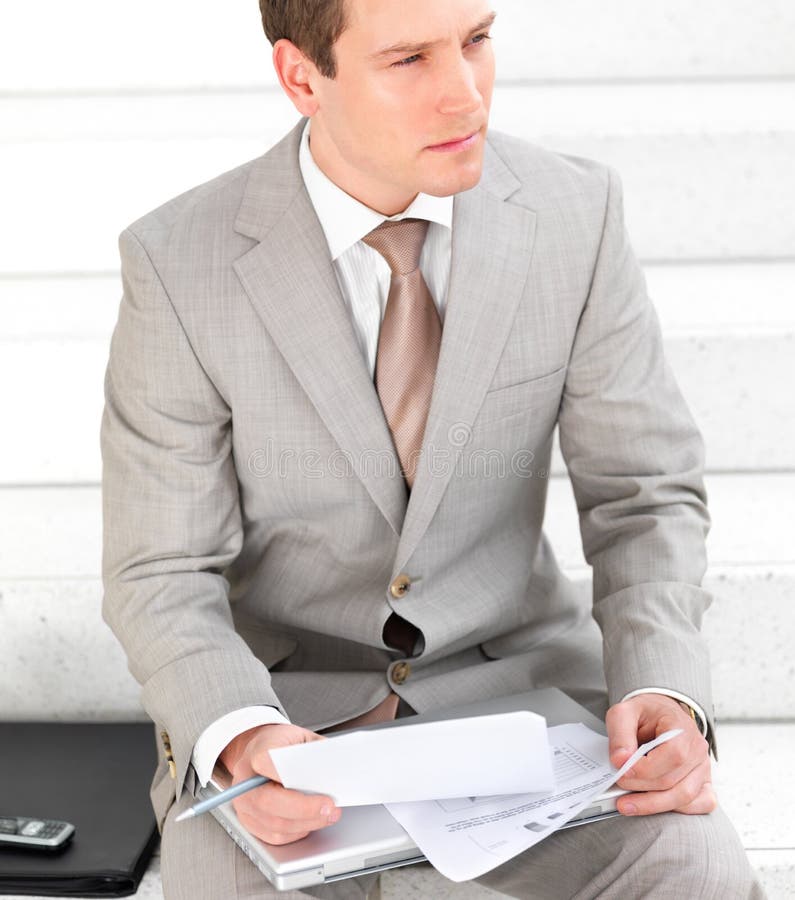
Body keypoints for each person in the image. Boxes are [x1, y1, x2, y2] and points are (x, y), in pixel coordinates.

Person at [100, 0, 764, 897]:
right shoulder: (179, 264)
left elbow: (641, 494)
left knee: (696, 866)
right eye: (409, 58)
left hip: (520, 705)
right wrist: (238, 732)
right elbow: (160, 570)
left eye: (477, 41)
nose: (466, 96)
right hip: (292, 735)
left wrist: (665, 688)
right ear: (303, 78)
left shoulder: (574, 215)